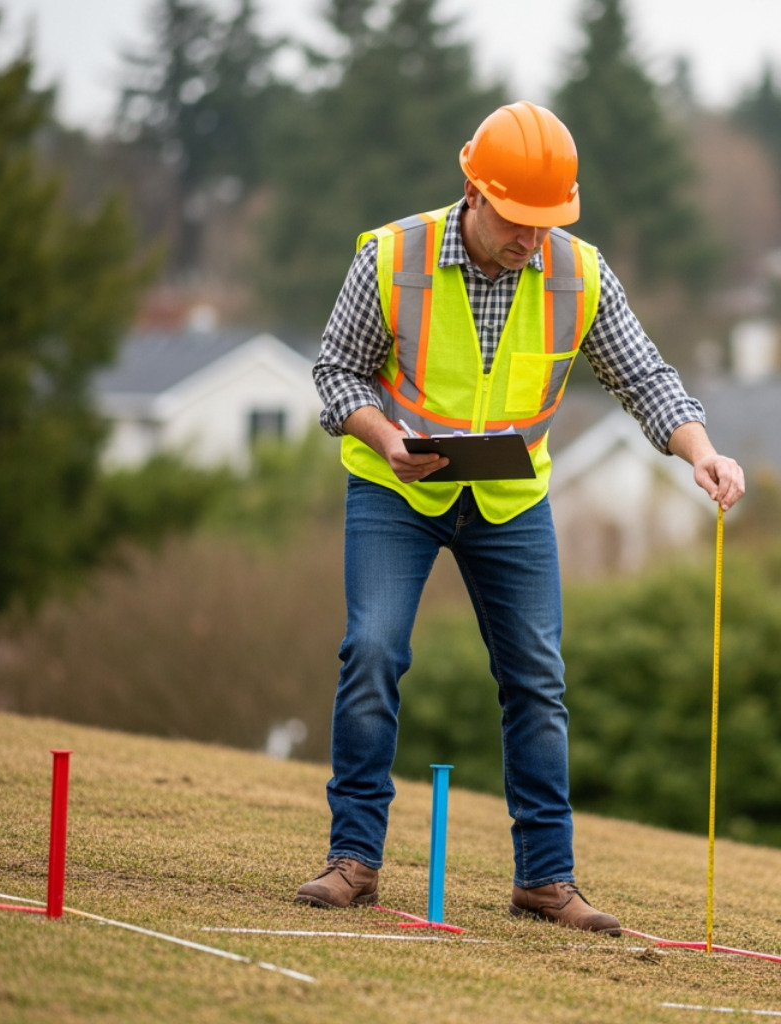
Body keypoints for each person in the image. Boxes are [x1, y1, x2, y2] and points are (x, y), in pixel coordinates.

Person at [297, 101, 745, 934]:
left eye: (548, 222)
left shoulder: (579, 273)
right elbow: (336, 375)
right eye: (517, 220)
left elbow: (644, 377)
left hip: (510, 502)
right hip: (397, 490)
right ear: (473, 191)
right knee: (373, 652)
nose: (532, 239)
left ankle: (545, 880)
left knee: (537, 681)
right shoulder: (390, 256)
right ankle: (352, 861)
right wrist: (385, 438)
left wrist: (702, 452)